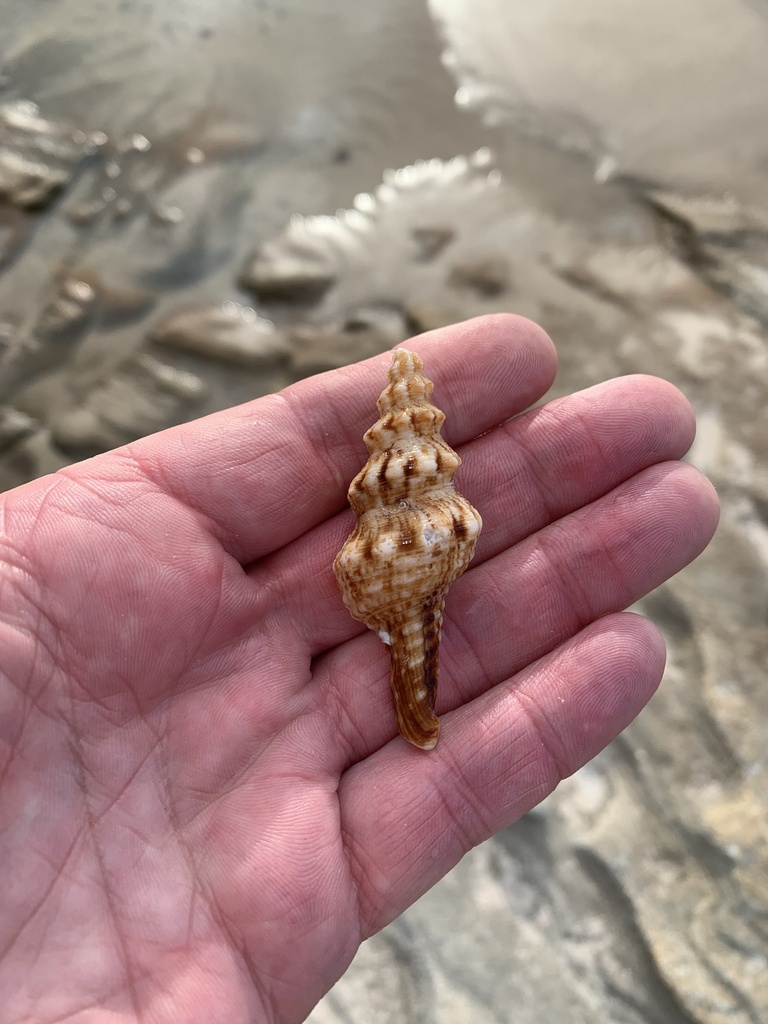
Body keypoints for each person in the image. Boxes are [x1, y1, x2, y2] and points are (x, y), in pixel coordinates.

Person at [0, 315, 718, 1023]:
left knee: (422, 649)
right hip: (405, 542)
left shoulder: (427, 509)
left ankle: (419, 706)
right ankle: (419, 708)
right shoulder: (427, 512)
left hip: (401, 545)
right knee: (422, 658)